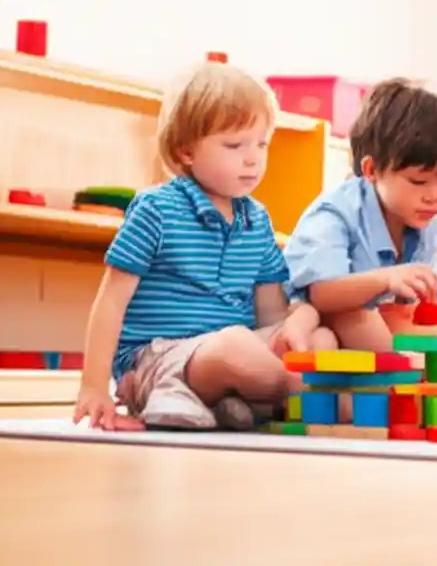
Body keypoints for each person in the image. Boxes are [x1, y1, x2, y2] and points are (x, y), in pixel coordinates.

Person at [73, 63, 334, 432]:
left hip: (231, 353)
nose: (253, 158)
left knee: (320, 339)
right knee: (236, 347)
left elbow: (271, 317)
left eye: (262, 144)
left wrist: (299, 327)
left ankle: (232, 404)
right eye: (235, 145)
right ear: (186, 153)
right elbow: (111, 301)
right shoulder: (156, 210)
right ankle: (294, 397)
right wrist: (94, 387)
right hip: (161, 356)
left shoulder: (256, 221)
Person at [283, 79, 437, 352]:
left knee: (428, 323)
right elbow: (322, 293)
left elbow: (426, 269)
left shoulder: (425, 217)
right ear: (372, 170)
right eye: (418, 182)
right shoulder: (334, 215)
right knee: (352, 315)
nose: (434, 197)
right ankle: (397, 379)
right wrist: (387, 278)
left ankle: (405, 376)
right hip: (308, 311)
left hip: (373, 316)